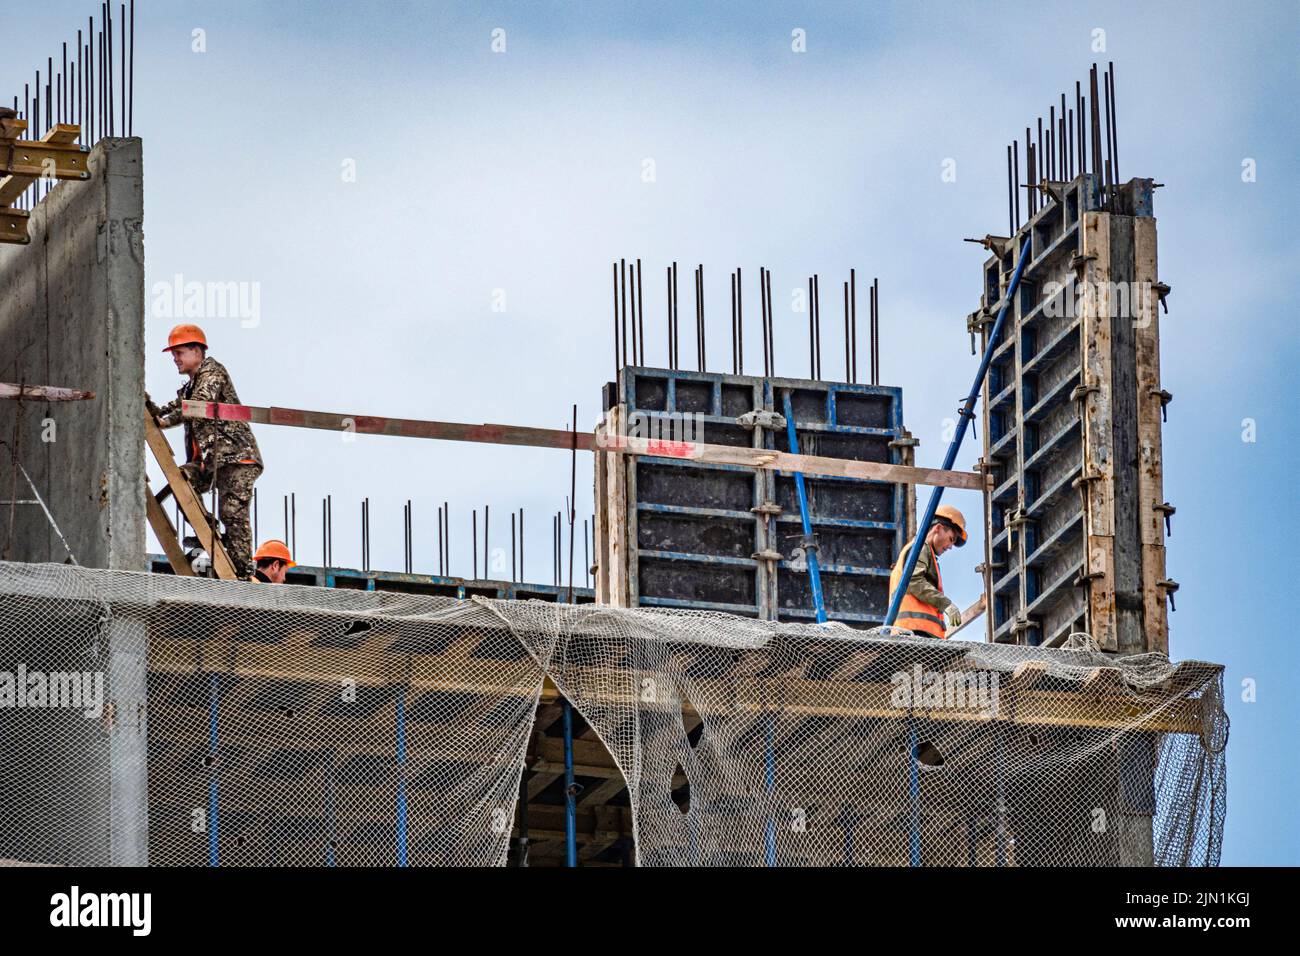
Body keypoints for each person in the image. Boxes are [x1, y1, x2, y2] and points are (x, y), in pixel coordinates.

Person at [149, 324, 263, 579]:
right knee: (182, 484)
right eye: (173, 354)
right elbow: (184, 407)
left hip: (236, 458)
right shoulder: (191, 385)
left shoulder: (212, 372)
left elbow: (197, 404)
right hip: (210, 462)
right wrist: (160, 416)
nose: (175, 359)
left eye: (179, 353)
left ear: (197, 351)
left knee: (233, 512)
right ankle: (210, 531)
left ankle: (242, 573)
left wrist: (164, 415)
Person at [887, 504, 967, 639]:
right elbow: (914, 581)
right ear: (938, 528)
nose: (950, 547)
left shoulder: (921, 552)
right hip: (915, 631)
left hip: (913, 632)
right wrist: (946, 604)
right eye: (951, 539)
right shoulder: (920, 548)